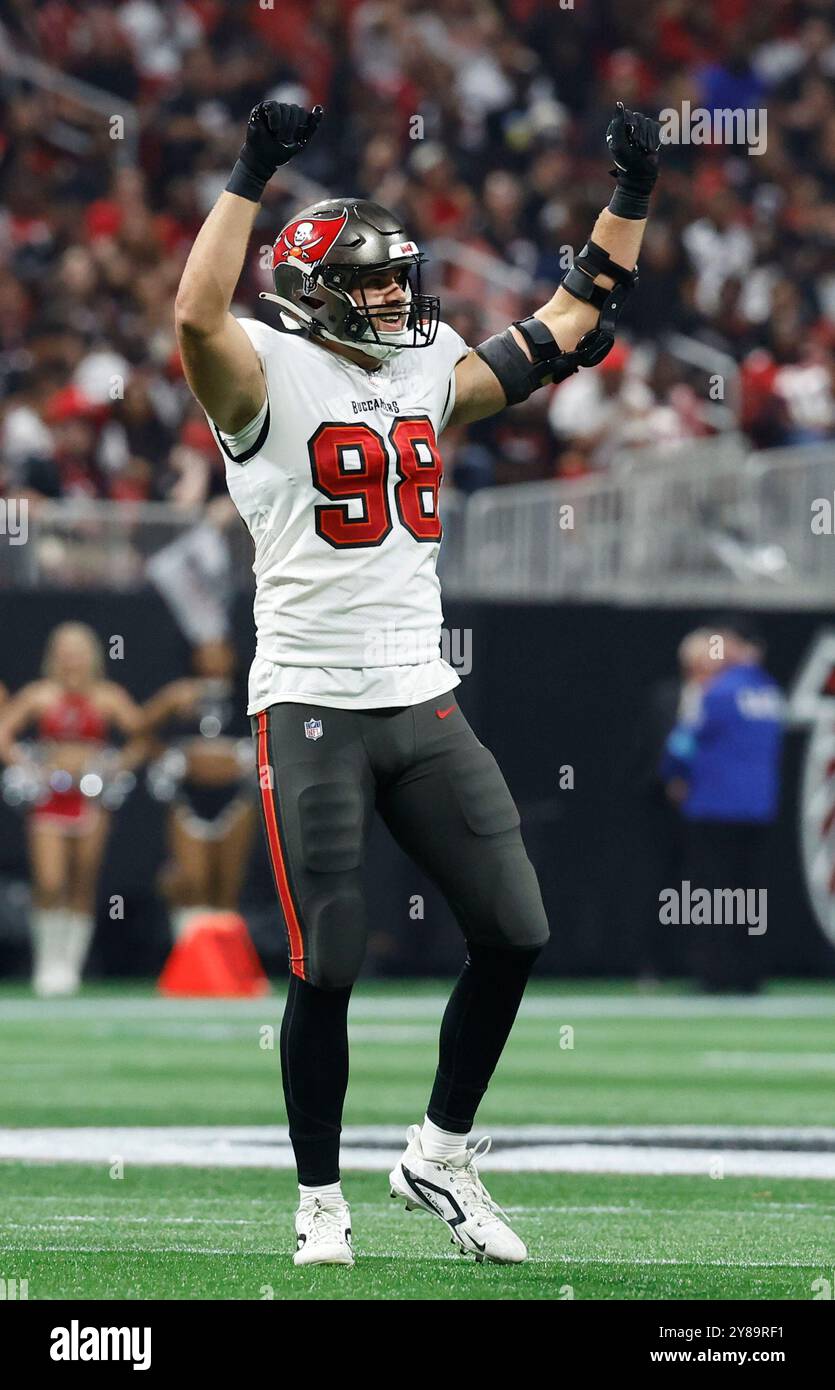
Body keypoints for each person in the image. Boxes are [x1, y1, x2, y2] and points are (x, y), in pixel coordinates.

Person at [175, 97, 662, 1266]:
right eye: (376, 282)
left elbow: (566, 322)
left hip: (418, 691)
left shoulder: (427, 365)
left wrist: (631, 195)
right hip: (309, 698)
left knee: (514, 928)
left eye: (401, 280)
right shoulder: (262, 374)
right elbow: (195, 310)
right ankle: (319, 1196)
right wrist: (249, 169)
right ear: (314, 290)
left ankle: (438, 1154)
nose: (399, 298)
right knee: (327, 961)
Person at [0, 623, 145, 996]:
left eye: (78, 650)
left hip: (90, 799)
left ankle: (70, 965)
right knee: (49, 881)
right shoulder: (40, 694)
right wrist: (25, 766)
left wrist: (114, 767)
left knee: (82, 880)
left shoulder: (108, 696)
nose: (71, 659)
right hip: (49, 798)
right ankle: (47, 962)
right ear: (53, 655)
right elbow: (4, 733)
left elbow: (142, 735)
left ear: (92, 655)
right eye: (64, 650)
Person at [660, 621, 784, 992]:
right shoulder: (768, 691)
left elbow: (682, 745)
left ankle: (715, 973)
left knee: (712, 895)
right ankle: (749, 973)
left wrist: (673, 775)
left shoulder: (716, 693)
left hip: (714, 807)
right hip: (757, 809)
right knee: (749, 893)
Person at [143, 638, 257, 938]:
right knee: (192, 880)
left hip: (235, 798)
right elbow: (140, 728)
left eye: (220, 651)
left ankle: (225, 962)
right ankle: (191, 954)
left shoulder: (250, 690)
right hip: (189, 798)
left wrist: (249, 758)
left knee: (228, 882)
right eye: (206, 652)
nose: (213, 659)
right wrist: (166, 756)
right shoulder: (180, 693)